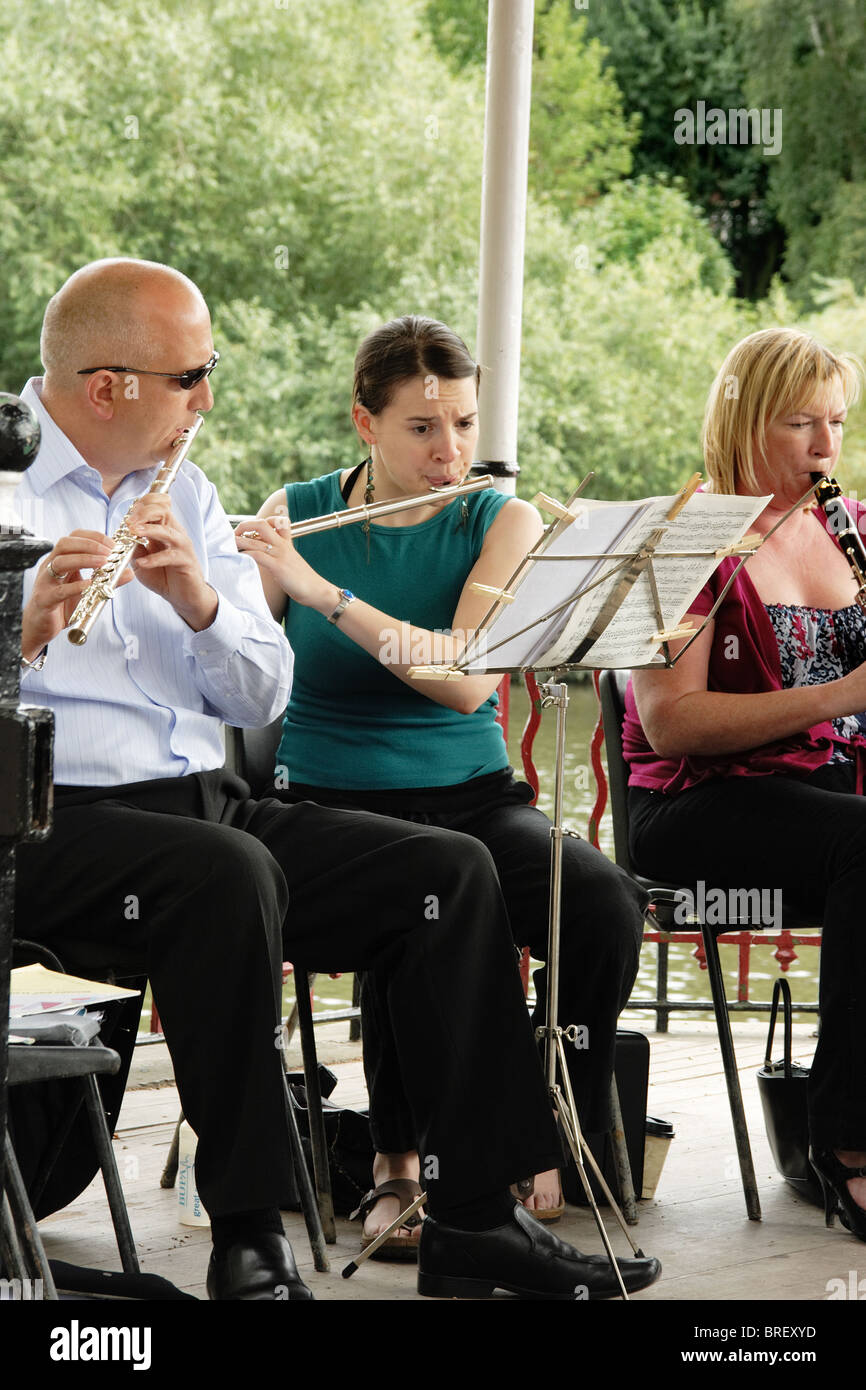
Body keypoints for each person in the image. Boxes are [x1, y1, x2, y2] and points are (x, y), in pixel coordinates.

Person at [13, 259, 660, 1301]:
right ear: (107, 385)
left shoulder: (192, 491)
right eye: (192, 376)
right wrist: (19, 632)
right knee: (221, 874)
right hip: (43, 823)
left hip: (202, 808)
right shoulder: (3, 484)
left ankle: (470, 1217)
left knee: (448, 874)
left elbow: (258, 692)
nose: (209, 400)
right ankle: (247, 1236)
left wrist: (204, 607)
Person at [235, 316, 647, 1255]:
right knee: (418, 899)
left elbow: (465, 679)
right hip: (329, 801)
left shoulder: (500, 519)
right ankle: (396, 1165)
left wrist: (323, 591)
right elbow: (237, 671)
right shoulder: (294, 512)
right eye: (422, 427)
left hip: (471, 794)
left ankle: (549, 1114)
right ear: (364, 424)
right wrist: (218, 579)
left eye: (463, 423)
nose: (450, 448)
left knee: (601, 903)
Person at [622, 326, 866, 1240]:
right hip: (696, 807)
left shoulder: (853, 529)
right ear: (741, 419)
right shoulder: (688, 540)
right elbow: (671, 720)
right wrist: (839, 693)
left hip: (828, 807)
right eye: (800, 423)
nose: (825, 449)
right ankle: (845, 1147)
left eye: (836, 423)